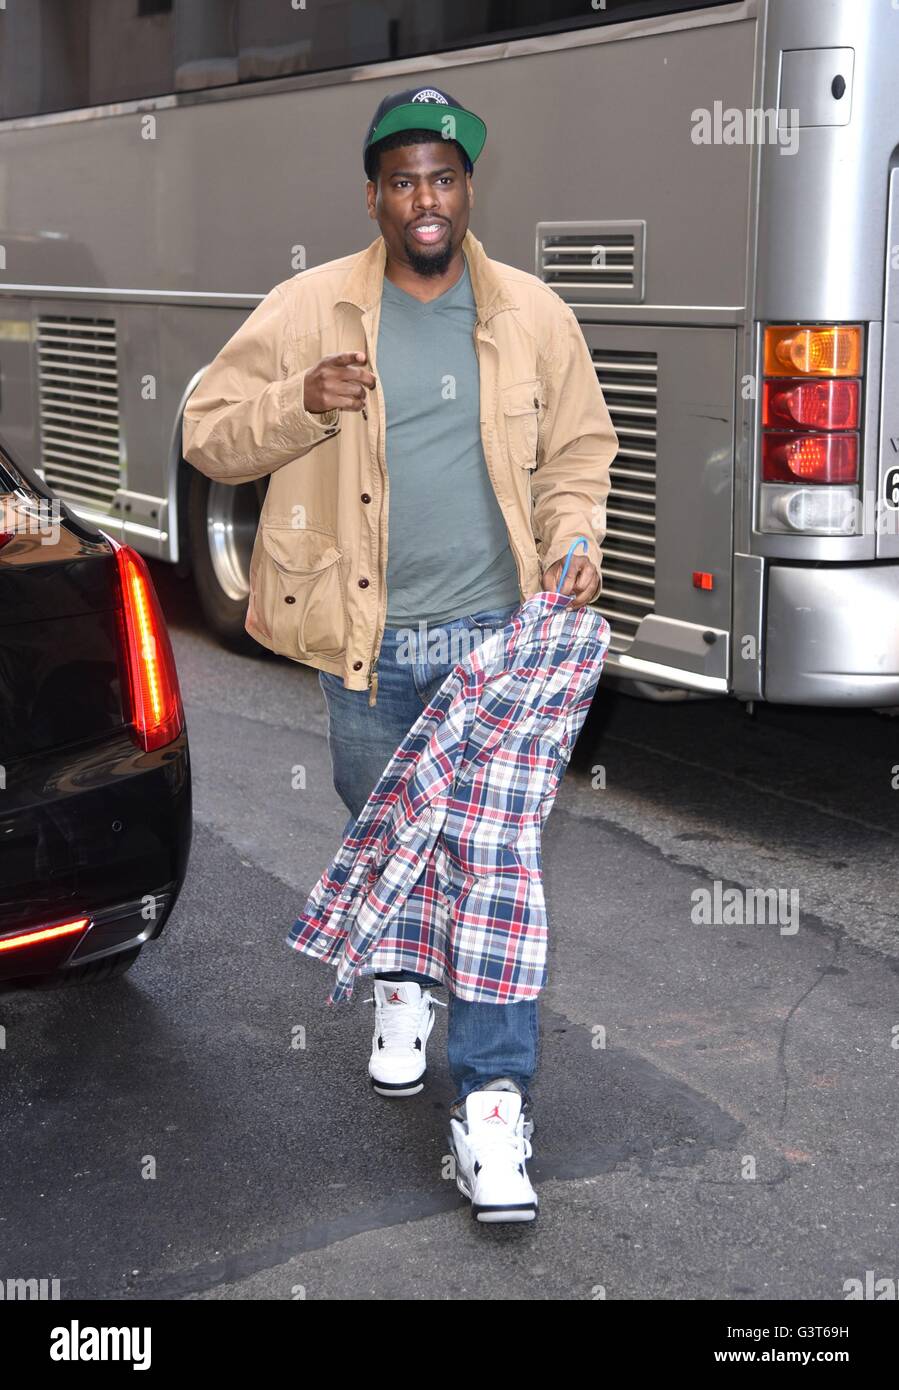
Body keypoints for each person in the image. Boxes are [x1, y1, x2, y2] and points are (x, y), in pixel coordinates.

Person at [182, 85, 618, 1223]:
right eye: (401, 180)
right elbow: (205, 430)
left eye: (443, 177)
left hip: (497, 645)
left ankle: (490, 1110)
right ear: (373, 195)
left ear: (468, 189)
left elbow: (576, 453)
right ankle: (401, 972)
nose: (424, 199)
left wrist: (572, 537)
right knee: (384, 823)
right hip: (372, 646)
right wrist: (300, 401)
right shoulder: (308, 305)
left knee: (493, 872)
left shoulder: (531, 314)